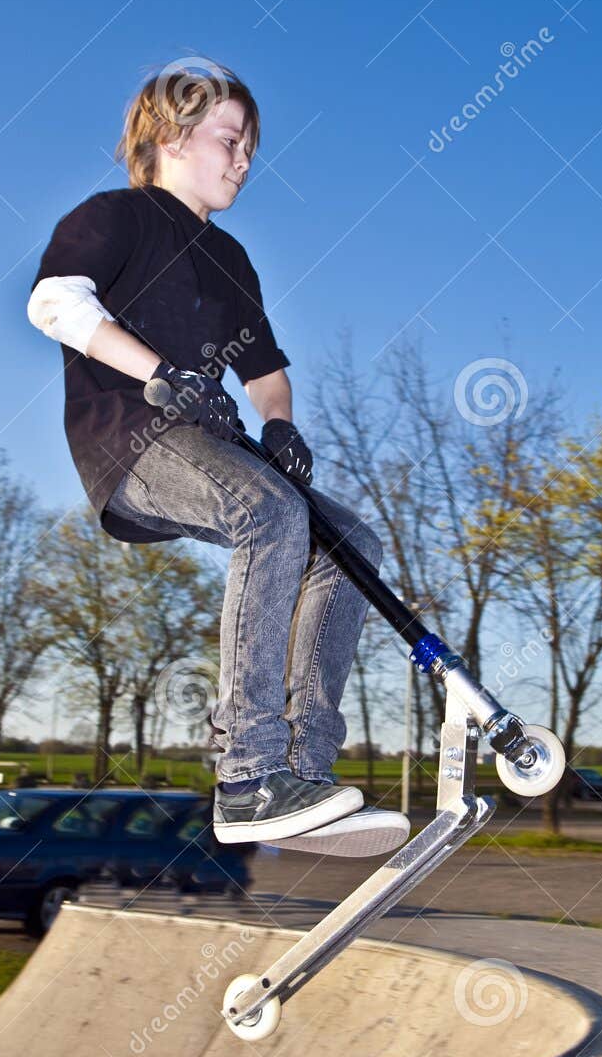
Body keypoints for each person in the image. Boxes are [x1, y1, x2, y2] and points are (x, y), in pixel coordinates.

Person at [27, 61, 384, 844]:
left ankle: (303, 768)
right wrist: (162, 373)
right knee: (266, 512)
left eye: (251, 147)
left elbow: (266, 372)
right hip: (128, 435)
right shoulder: (115, 215)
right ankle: (247, 773)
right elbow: (52, 301)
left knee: (349, 541)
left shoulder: (231, 260)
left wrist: (280, 425)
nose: (244, 160)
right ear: (170, 135)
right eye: (230, 139)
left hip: (207, 441)